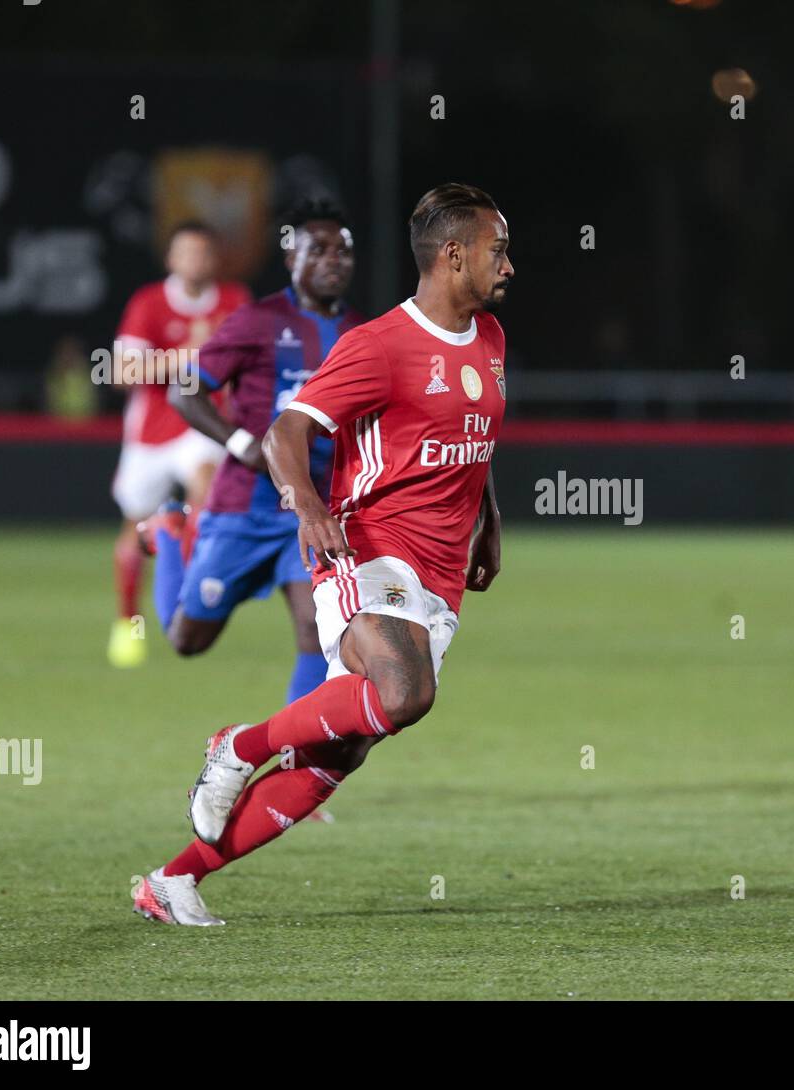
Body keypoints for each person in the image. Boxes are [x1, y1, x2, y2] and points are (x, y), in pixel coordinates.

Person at [132, 183, 512, 925]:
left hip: (438, 572)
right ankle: (238, 744)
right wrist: (307, 506)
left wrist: (489, 521)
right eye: (498, 250)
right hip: (369, 546)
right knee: (407, 694)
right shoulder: (378, 343)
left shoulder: (491, 341)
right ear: (453, 254)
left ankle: (173, 881)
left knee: (341, 754)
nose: (508, 264)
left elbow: (476, 438)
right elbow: (286, 432)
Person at [146, 199, 362, 705]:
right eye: (320, 250)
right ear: (292, 257)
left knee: (318, 631)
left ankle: (294, 758)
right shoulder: (258, 320)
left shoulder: (362, 334)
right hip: (245, 504)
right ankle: (166, 534)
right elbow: (185, 389)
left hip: (308, 508)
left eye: (344, 251)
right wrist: (239, 441)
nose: (335, 260)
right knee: (187, 639)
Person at [108, 223, 250, 667]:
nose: (194, 261)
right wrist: (188, 353)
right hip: (151, 433)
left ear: (215, 260)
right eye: (185, 253)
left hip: (202, 424)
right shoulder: (149, 302)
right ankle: (128, 621)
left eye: (203, 253)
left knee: (205, 493)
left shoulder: (235, 301)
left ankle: (190, 606)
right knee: (134, 531)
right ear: (171, 259)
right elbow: (121, 373)